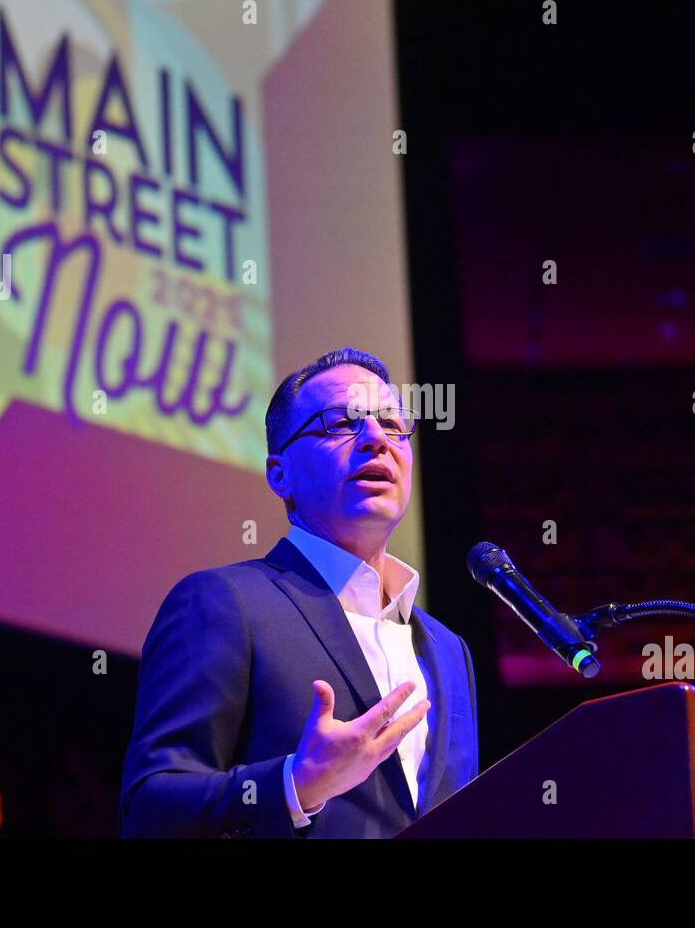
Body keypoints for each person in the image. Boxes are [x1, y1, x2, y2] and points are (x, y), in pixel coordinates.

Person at [119, 348, 478, 837]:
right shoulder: (224, 604)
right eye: (340, 424)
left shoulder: (448, 649)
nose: (376, 439)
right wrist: (295, 784)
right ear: (279, 473)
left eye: (393, 424)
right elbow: (148, 810)